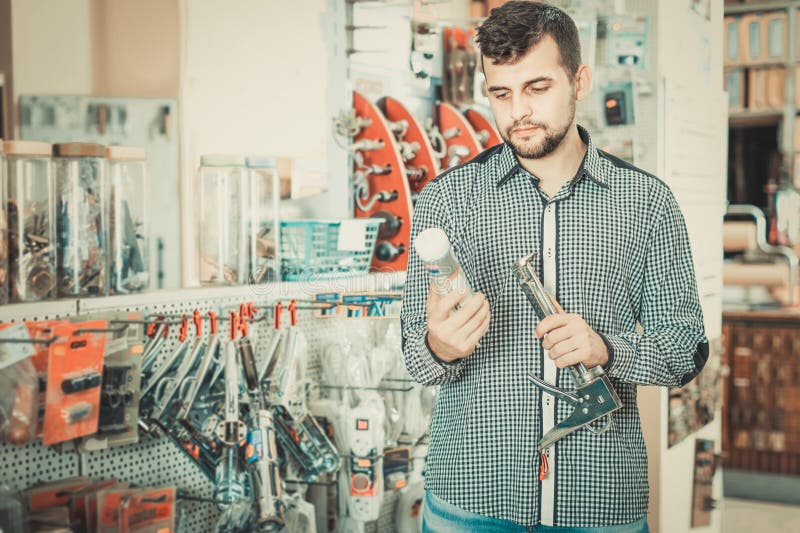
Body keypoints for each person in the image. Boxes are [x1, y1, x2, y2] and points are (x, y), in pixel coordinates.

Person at [400, 2, 708, 532]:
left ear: (579, 81)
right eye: (501, 93)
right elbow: (414, 355)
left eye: (537, 88)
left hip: (598, 504)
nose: (518, 110)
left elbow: (687, 349)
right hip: (471, 501)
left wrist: (607, 349)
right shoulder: (445, 202)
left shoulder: (647, 204)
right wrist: (439, 347)